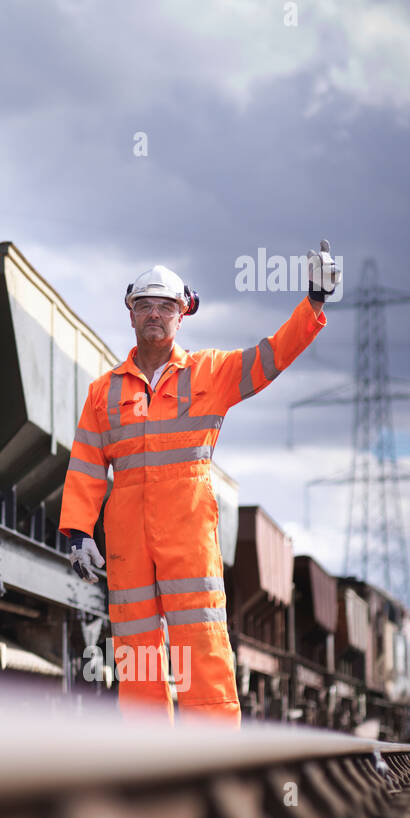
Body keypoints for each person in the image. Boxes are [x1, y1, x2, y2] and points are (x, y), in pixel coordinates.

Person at [58, 242, 341, 726]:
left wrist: (313, 302)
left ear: (182, 313)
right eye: (144, 305)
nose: (154, 314)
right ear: (129, 314)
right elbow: (86, 465)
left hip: (188, 528)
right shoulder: (103, 392)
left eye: (165, 306)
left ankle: (209, 752)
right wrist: (78, 532)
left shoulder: (212, 373)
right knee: (136, 644)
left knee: (201, 639)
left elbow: (272, 356)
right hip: (127, 533)